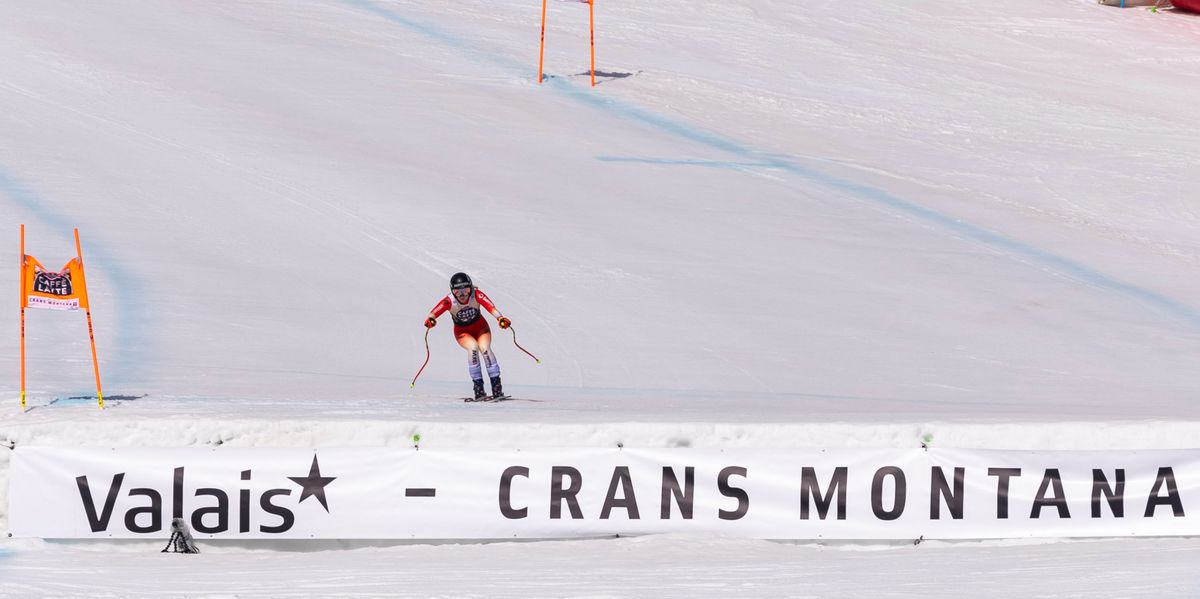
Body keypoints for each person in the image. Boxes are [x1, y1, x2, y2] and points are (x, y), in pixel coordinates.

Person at [425, 272, 511, 400]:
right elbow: (433, 313)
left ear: (470, 287)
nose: (462, 294)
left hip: (481, 329)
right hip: (462, 333)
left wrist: (500, 318)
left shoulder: (476, 295)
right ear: (452, 291)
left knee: (485, 349)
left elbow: (490, 306)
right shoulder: (449, 301)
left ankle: (497, 389)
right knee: (473, 349)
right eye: (457, 291)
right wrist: (431, 320)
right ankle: (479, 390)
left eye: (465, 289)